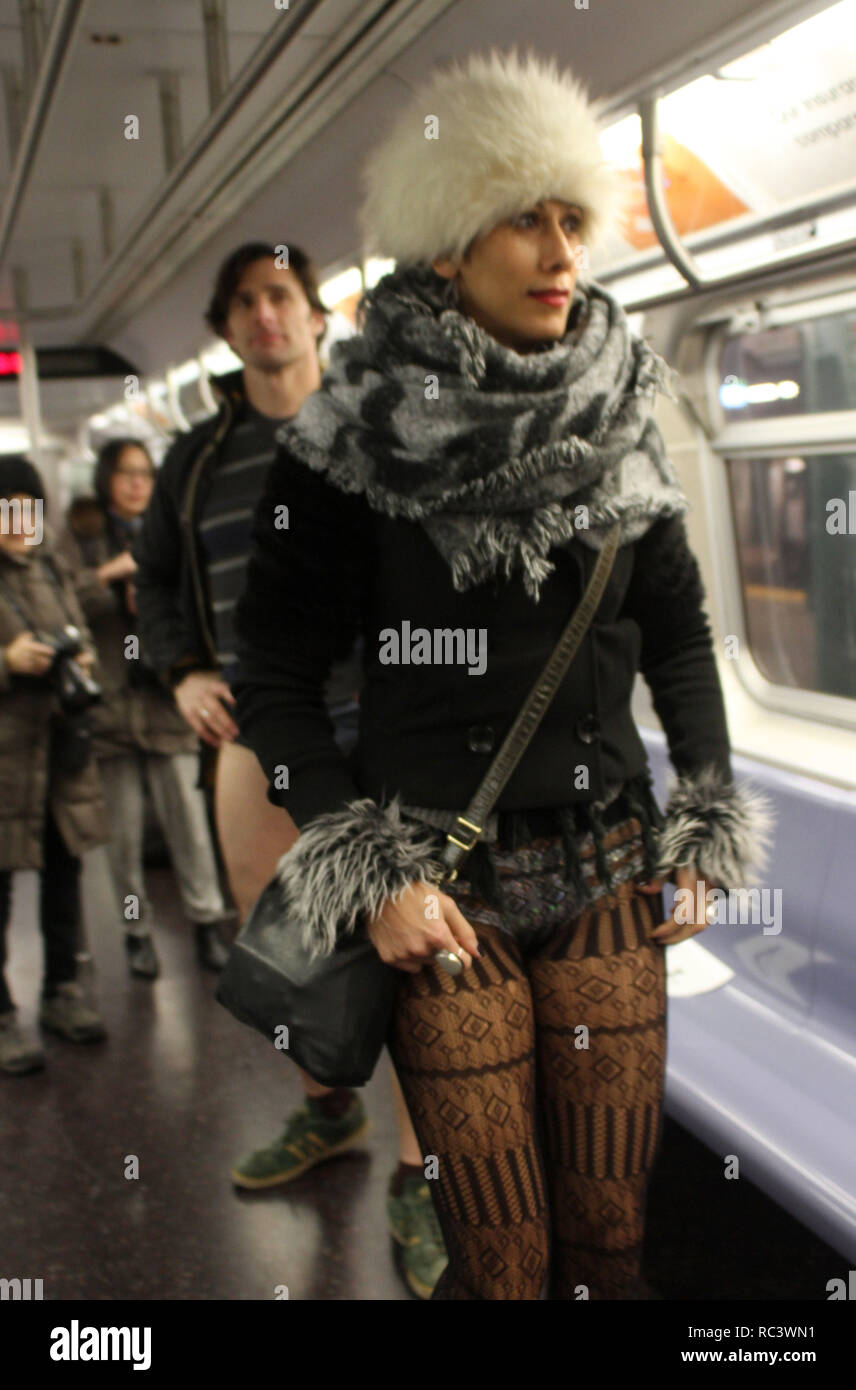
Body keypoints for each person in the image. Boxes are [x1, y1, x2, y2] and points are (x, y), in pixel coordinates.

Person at [232, 50, 774, 1300]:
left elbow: (681, 636)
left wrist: (701, 813)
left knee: (610, 1242)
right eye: (520, 220)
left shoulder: (621, 409)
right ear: (444, 249)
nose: (556, 251)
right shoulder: (344, 445)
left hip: (603, 862)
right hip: (438, 885)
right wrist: (356, 861)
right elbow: (272, 675)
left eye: (569, 219)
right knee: (506, 1261)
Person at [132, 243, 448, 1297]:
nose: (266, 316)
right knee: (283, 934)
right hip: (261, 719)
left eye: (282, 297)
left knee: (409, 938)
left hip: (386, 709)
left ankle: (417, 1167)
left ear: (317, 316)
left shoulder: (379, 421)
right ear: (227, 330)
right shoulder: (194, 458)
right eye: (245, 304)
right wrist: (179, 670)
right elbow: (160, 583)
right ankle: (326, 1107)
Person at [57, 438, 231, 979]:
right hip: (109, 707)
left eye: (145, 473)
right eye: (125, 473)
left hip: (165, 706)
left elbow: (203, 602)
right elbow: (60, 601)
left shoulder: (171, 531)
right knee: (124, 837)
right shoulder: (79, 539)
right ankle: (136, 932)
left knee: (190, 828)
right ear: (106, 478)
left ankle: (207, 923)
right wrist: (112, 578)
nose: (136, 483)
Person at [0, 456, 109, 1075]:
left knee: (63, 878)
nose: (20, 519)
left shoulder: (50, 566)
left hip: (61, 750)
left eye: (28, 506)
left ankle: (61, 992)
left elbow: (85, 635)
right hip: (7, 759)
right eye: (7, 505)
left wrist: (84, 660)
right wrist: (8, 661)